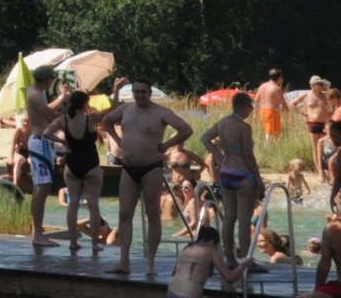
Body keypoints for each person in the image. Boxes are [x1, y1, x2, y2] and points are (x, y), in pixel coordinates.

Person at [101, 78, 193, 280]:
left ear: (150, 92)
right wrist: (118, 141)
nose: (139, 95)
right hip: (129, 168)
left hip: (151, 168)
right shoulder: (126, 110)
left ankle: (150, 262)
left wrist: (167, 144)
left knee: (153, 214)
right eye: (136, 91)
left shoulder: (161, 112)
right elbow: (106, 121)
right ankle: (124, 261)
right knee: (125, 214)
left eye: (143, 91)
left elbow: (186, 129)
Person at [200, 91, 263, 261]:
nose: (251, 111)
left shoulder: (223, 123)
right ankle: (247, 261)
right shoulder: (244, 127)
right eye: (250, 107)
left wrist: (219, 157)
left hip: (226, 172)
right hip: (242, 173)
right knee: (244, 220)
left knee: (228, 218)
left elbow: (205, 138)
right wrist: (258, 178)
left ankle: (229, 258)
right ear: (244, 107)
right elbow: (248, 156)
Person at [58, 91, 108, 252]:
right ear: (85, 103)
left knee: (73, 205)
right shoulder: (90, 119)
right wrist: (116, 90)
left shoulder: (64, 119)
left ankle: (73, 242)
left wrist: (62, 141)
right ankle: (94, 244)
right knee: (93, 206)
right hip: (91, 164)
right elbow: (112, 108)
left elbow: (45, 133)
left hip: (72, 163)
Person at [23, 64, 64, 247]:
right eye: (51, 79)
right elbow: (48, 115)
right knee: (41, 188)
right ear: (47, 79)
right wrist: (69, 112)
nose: (52, 83)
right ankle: (37, 233)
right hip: (40, 142)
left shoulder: (37, 92)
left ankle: (37, 232)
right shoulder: (35, 94)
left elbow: (48, 112)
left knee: (44, 188)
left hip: (43, 142)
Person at [168, 223, 245, 297]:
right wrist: (244, 264)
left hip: (172, 292)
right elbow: (230, 277)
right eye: (216, 245)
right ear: (212, 241)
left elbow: (174, 273)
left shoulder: (185, 248)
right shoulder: (210, 251)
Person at [256, 70, 289, 142]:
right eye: (282, 77)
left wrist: (255, 114)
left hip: (262, 112)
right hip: (272, 113)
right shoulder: (276, 89)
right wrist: (288, 114)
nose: (282, 79)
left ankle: (269, 151)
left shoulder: (262, 86)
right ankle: (267, 152)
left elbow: (255, 101)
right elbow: (284, 105)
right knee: (270, 138)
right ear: (279, 78)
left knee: (269, 135)